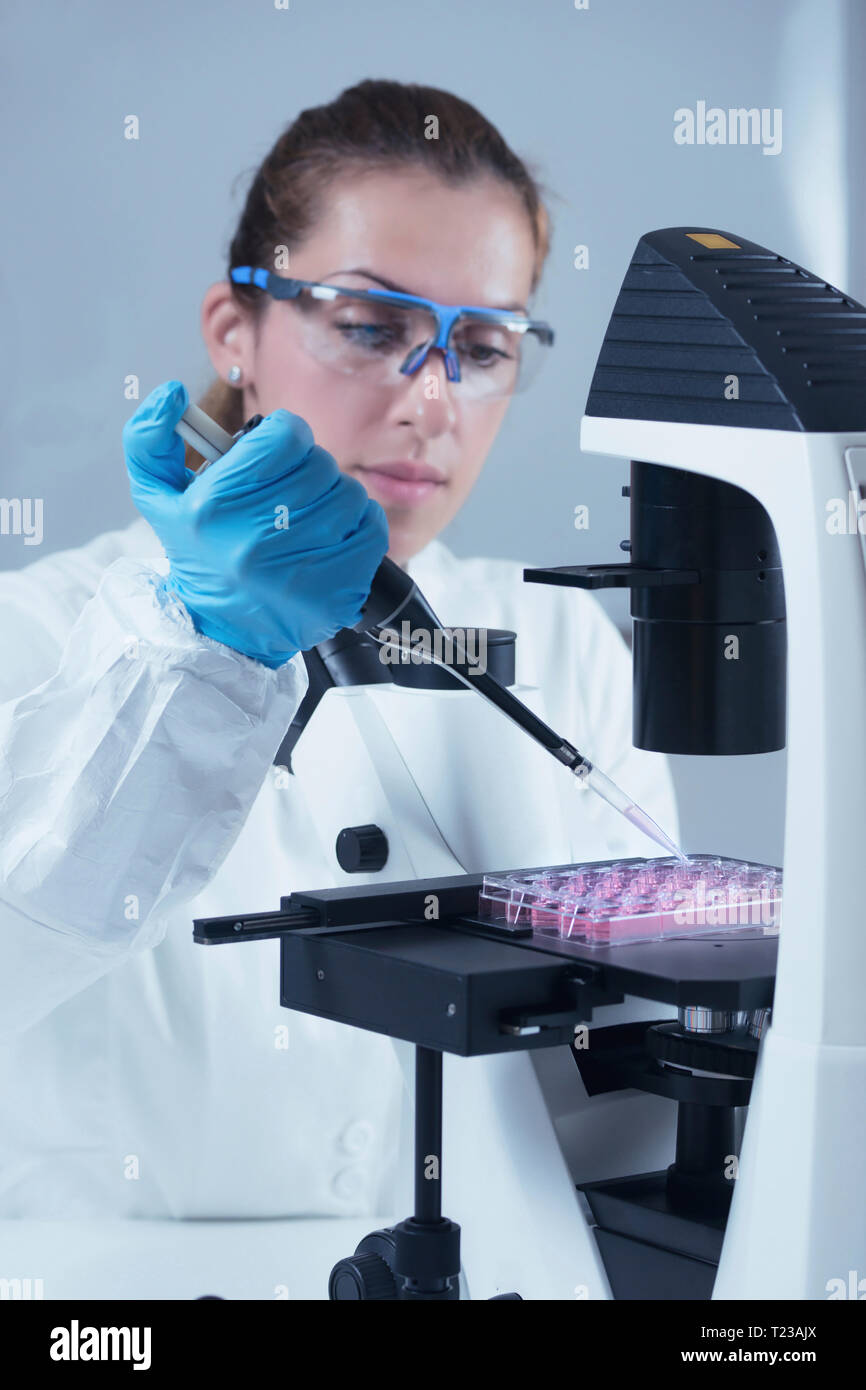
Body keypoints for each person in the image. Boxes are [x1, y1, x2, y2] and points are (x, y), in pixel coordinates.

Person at [0, 81, 677, 1233]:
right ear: (235, 331)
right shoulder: (43, 631)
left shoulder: (564, 645)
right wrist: (200, 652)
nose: (431, 399)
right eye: (370, 328)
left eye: (483, 343)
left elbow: (617, 1082)